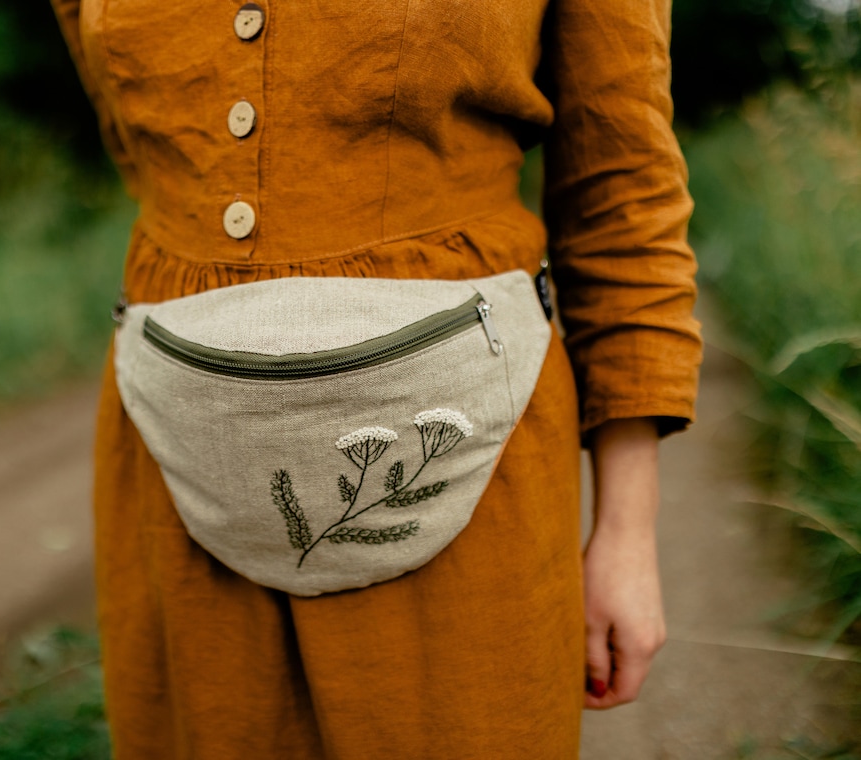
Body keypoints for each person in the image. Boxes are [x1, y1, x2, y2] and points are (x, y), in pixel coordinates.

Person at [50, 0, 703, 756]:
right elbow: (141, 148)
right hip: (177, 450)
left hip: (473, 476)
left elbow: (621, 192)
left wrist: (626, 532)